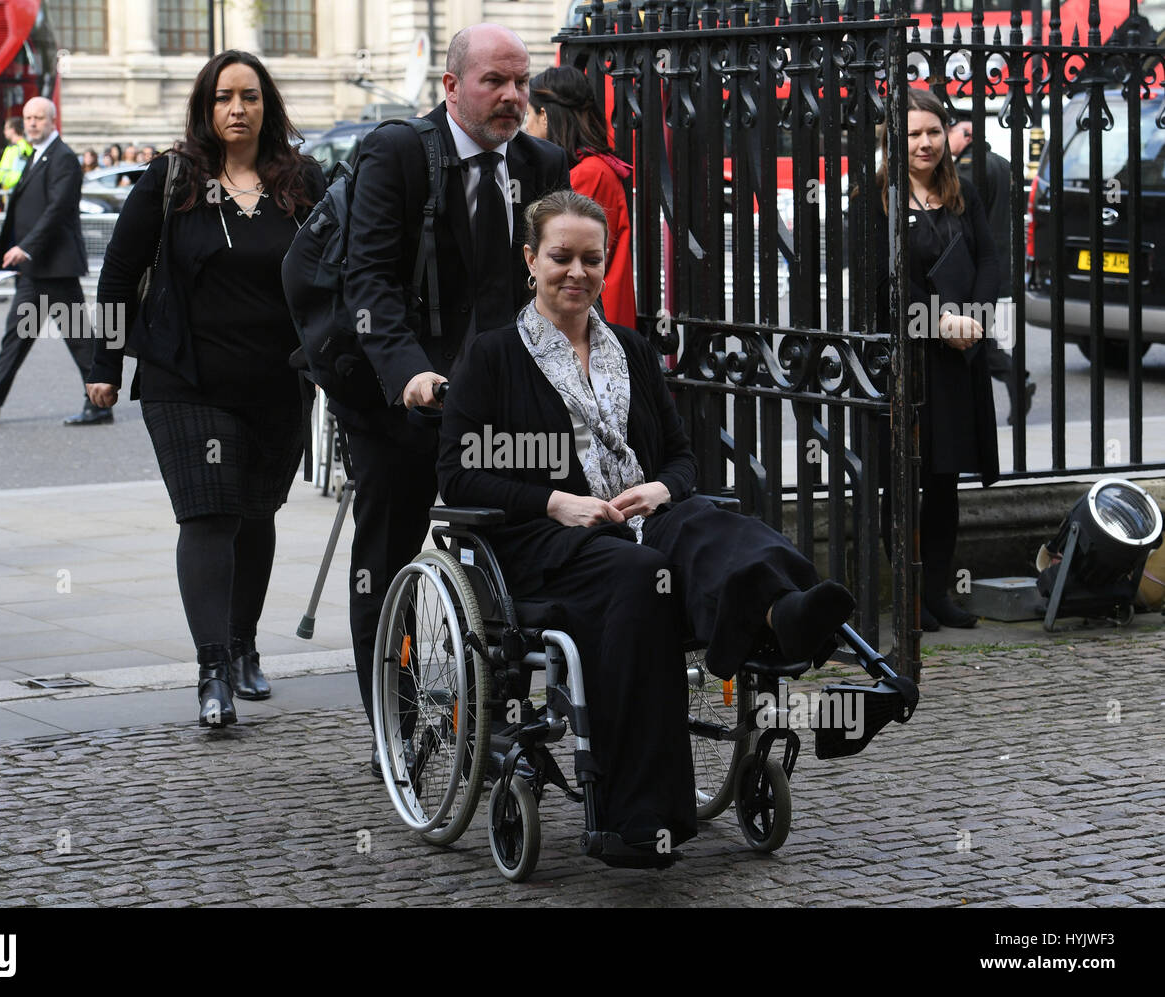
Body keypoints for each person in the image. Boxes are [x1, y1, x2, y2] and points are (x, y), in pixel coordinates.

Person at [437, 190, 855, 863]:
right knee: (643, 576)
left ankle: (785, 613)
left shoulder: (628, 351)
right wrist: (554, 501)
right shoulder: (491, 357)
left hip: (639, 520)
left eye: (591, 259)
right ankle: (638, 816)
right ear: (530, 259)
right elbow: (458, 474)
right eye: (561, 257)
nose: (576, 271)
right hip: (551, 542)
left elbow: (682, 456)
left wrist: (662, 486)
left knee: (714, 526)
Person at [339, 23, 571, 769]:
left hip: (498, 401)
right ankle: (399, 719)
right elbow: (367, 280)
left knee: (514, 542)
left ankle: (498, 714)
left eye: (520, 82)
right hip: (397, 393)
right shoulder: (399, 154)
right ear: (450, 87)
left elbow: (559, 286)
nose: (510, 96)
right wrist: (407, 370)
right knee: (388, 549)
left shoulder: (543, 163)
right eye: (492, 82)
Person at [86, 51, 325, 728]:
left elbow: (338, 269)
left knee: (256, 512)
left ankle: (246, 645)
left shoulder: (301, 181)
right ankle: (212, 669)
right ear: (205, 107)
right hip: (185, 380)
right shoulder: (173, 179)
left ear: (267, 106)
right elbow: (117, 274)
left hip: (280, 381)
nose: (238, 109)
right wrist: (102, 366)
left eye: (249, 96)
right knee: (209, 515)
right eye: (224, 97)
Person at [875, 90, 1000, 630]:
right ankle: (908, 598)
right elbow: (883, 288)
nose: (925, 143)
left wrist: (974, 318)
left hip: (957, 361)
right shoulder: (876, 199)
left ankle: (938, 592)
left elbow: (992, 258)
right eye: (912, 133)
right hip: (908, 362)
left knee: (945, 484)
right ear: (891, 139)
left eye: (932, 131)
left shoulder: (962, 192)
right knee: (903, 482)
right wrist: (937, 322)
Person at [0, 98, 100, 425]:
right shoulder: (35, 155)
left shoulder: (63, 158)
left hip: (56, 267)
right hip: (36, 269)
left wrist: (26, 247)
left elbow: (57, 210)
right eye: (28, 118)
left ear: (52, 120)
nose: (32, 123)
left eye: (38, 118)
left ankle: (100, 404)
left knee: (79, 340)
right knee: (15, 338)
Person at [526, 65, 636, 327]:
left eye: (527, 114)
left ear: (544, 115)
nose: (526, 126)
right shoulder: (592, 167)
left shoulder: (590, 173)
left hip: (589, 316)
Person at [947, 118, 1035, 425]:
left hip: (975, 267)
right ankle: (1016, 382)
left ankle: (1014, 380)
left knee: (971, 335)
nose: (945, 138)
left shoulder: (969, 169)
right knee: (975, 333)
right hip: (1000, 262)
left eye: (949, 132)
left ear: (967, 134)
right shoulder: (1004, 163)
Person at [0, 116, 32, 196]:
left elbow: (19, 174)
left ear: (12, 130)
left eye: (6, 128)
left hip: (13, 193)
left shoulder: (16, 149)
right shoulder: (27, 147)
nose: (4, 132)